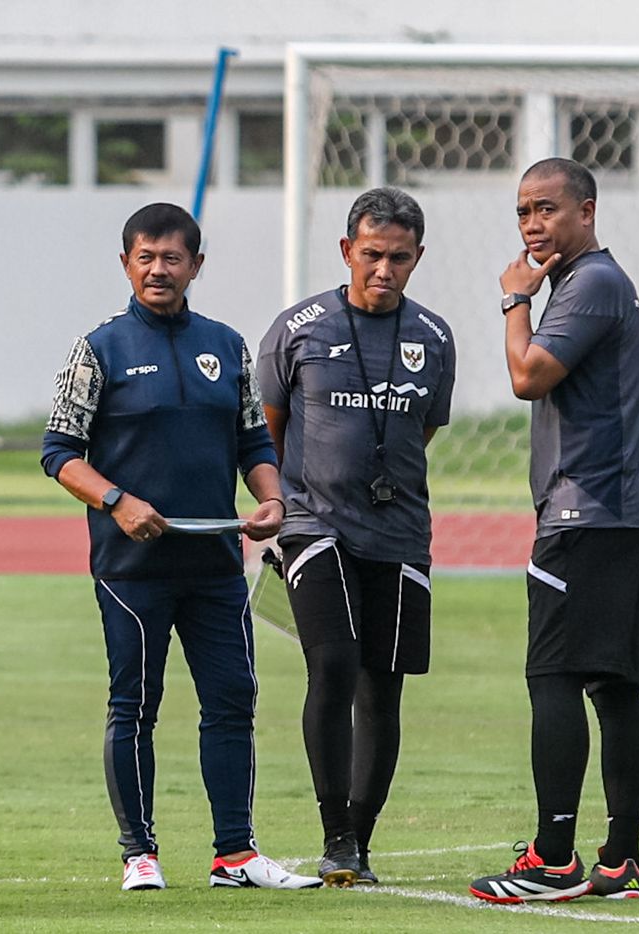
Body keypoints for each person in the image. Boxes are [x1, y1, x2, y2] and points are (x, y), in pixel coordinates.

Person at [41, 202, 321, 892]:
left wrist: (272, 499)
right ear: (126, 264)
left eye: (172, 258)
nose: (158, 269)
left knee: (232, 699)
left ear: (196, 265)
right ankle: (139, 853)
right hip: (131, 568)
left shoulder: (226, 345)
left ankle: (236, 854)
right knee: (134, 704)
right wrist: (117, 501)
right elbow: (58, 452)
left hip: (215, 565)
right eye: (146, 257)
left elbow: (254, 441)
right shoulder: (98, 348)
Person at [470, 158, 639, 904]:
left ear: (586, 211)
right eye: (523, 210)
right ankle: (619, 862)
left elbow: (529, 374)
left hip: (589, 513)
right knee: (615, 687)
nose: (532, 224)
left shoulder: (589, 283)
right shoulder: (596, 284)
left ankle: (553, 859)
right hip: (630, 510)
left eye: (547, 209)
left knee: (553, 675)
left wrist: (511, 302)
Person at [257, 187, 455, 886]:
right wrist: (285, 506)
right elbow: (269, 430)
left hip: (401, 531)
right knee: (333, 664)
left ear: (417, 258)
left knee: (383, 688)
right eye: (372, 254)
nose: (384, 269)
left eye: (399, 257)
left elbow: (421, 429)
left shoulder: (433, 337)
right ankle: (334, 833)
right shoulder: (298, 328)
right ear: (347, 251)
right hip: (315, 524)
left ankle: (360, 846)